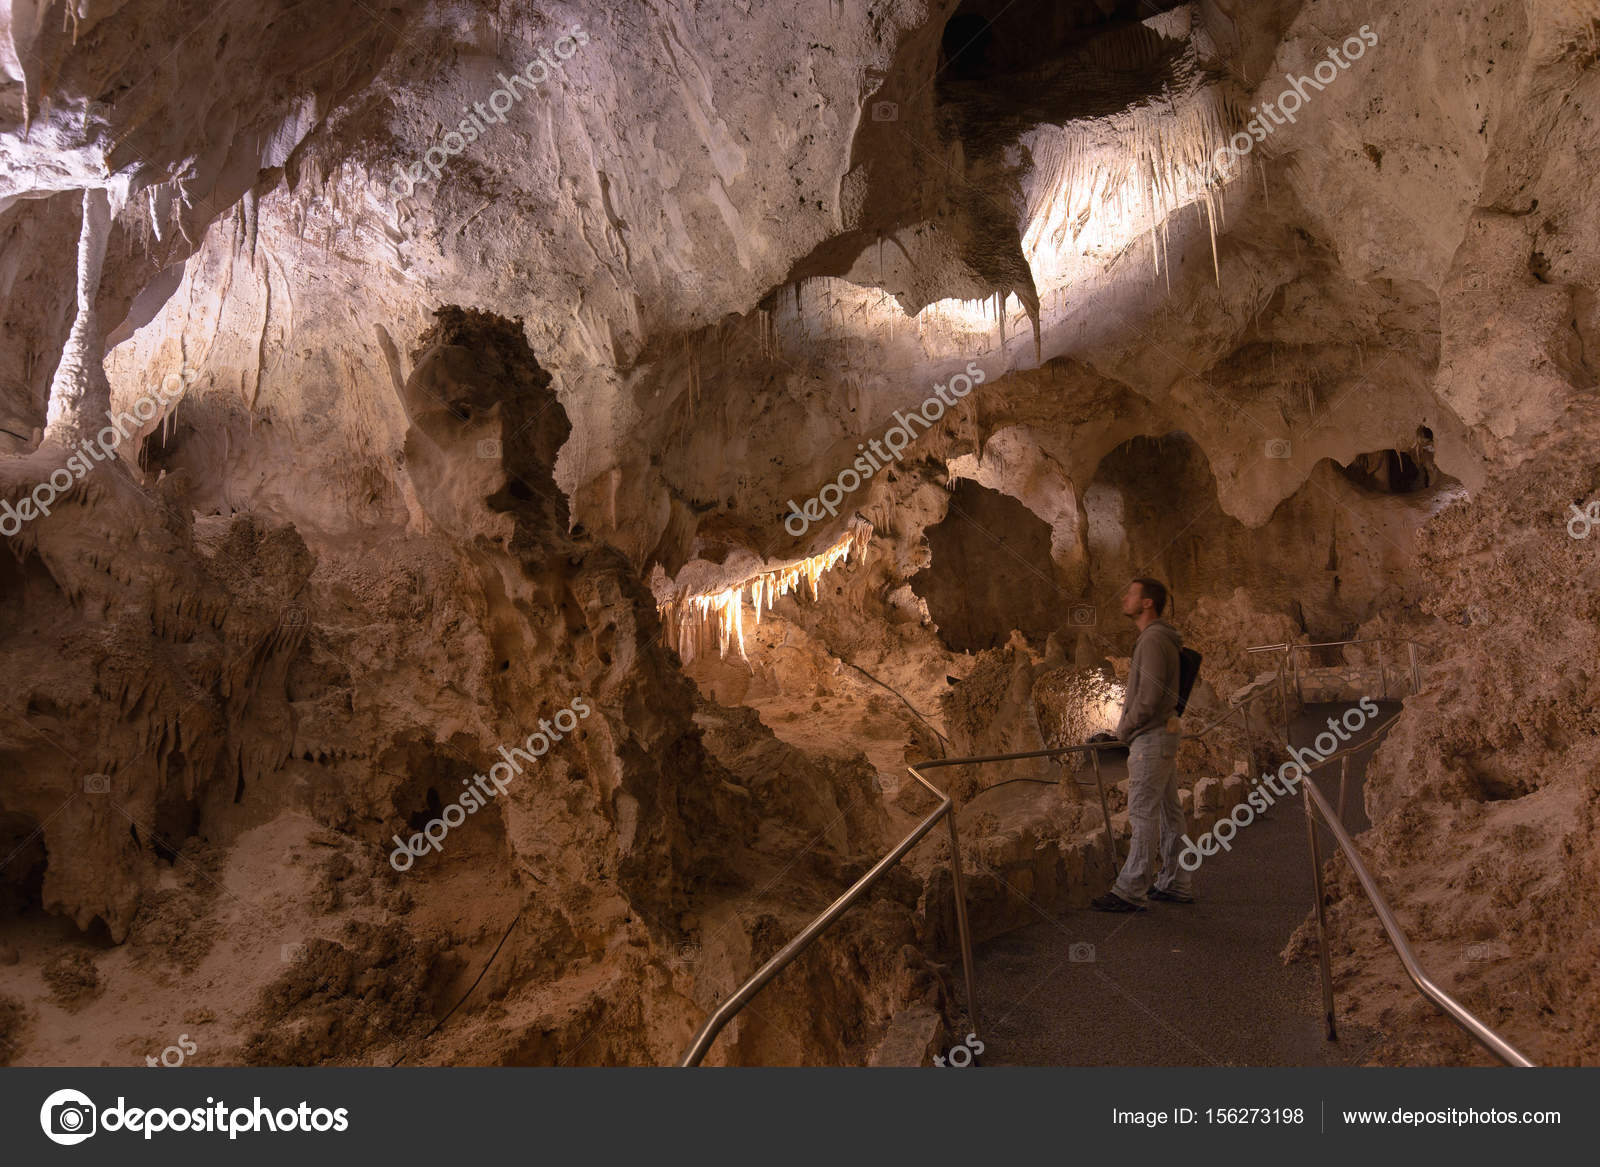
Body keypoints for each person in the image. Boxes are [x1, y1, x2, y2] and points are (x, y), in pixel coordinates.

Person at [1091, 577, 1194, 911]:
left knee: (1143, 811)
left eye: (1131, 594)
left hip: (1150, 736)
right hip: (1163, 733)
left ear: (1147, 602)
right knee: (1169, 810)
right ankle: (1176, 882)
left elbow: (1148, 698)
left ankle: (1129, 889)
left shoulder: (1151, 640)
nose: (1124, 599)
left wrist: (1124, 730)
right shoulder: (1163, 639)